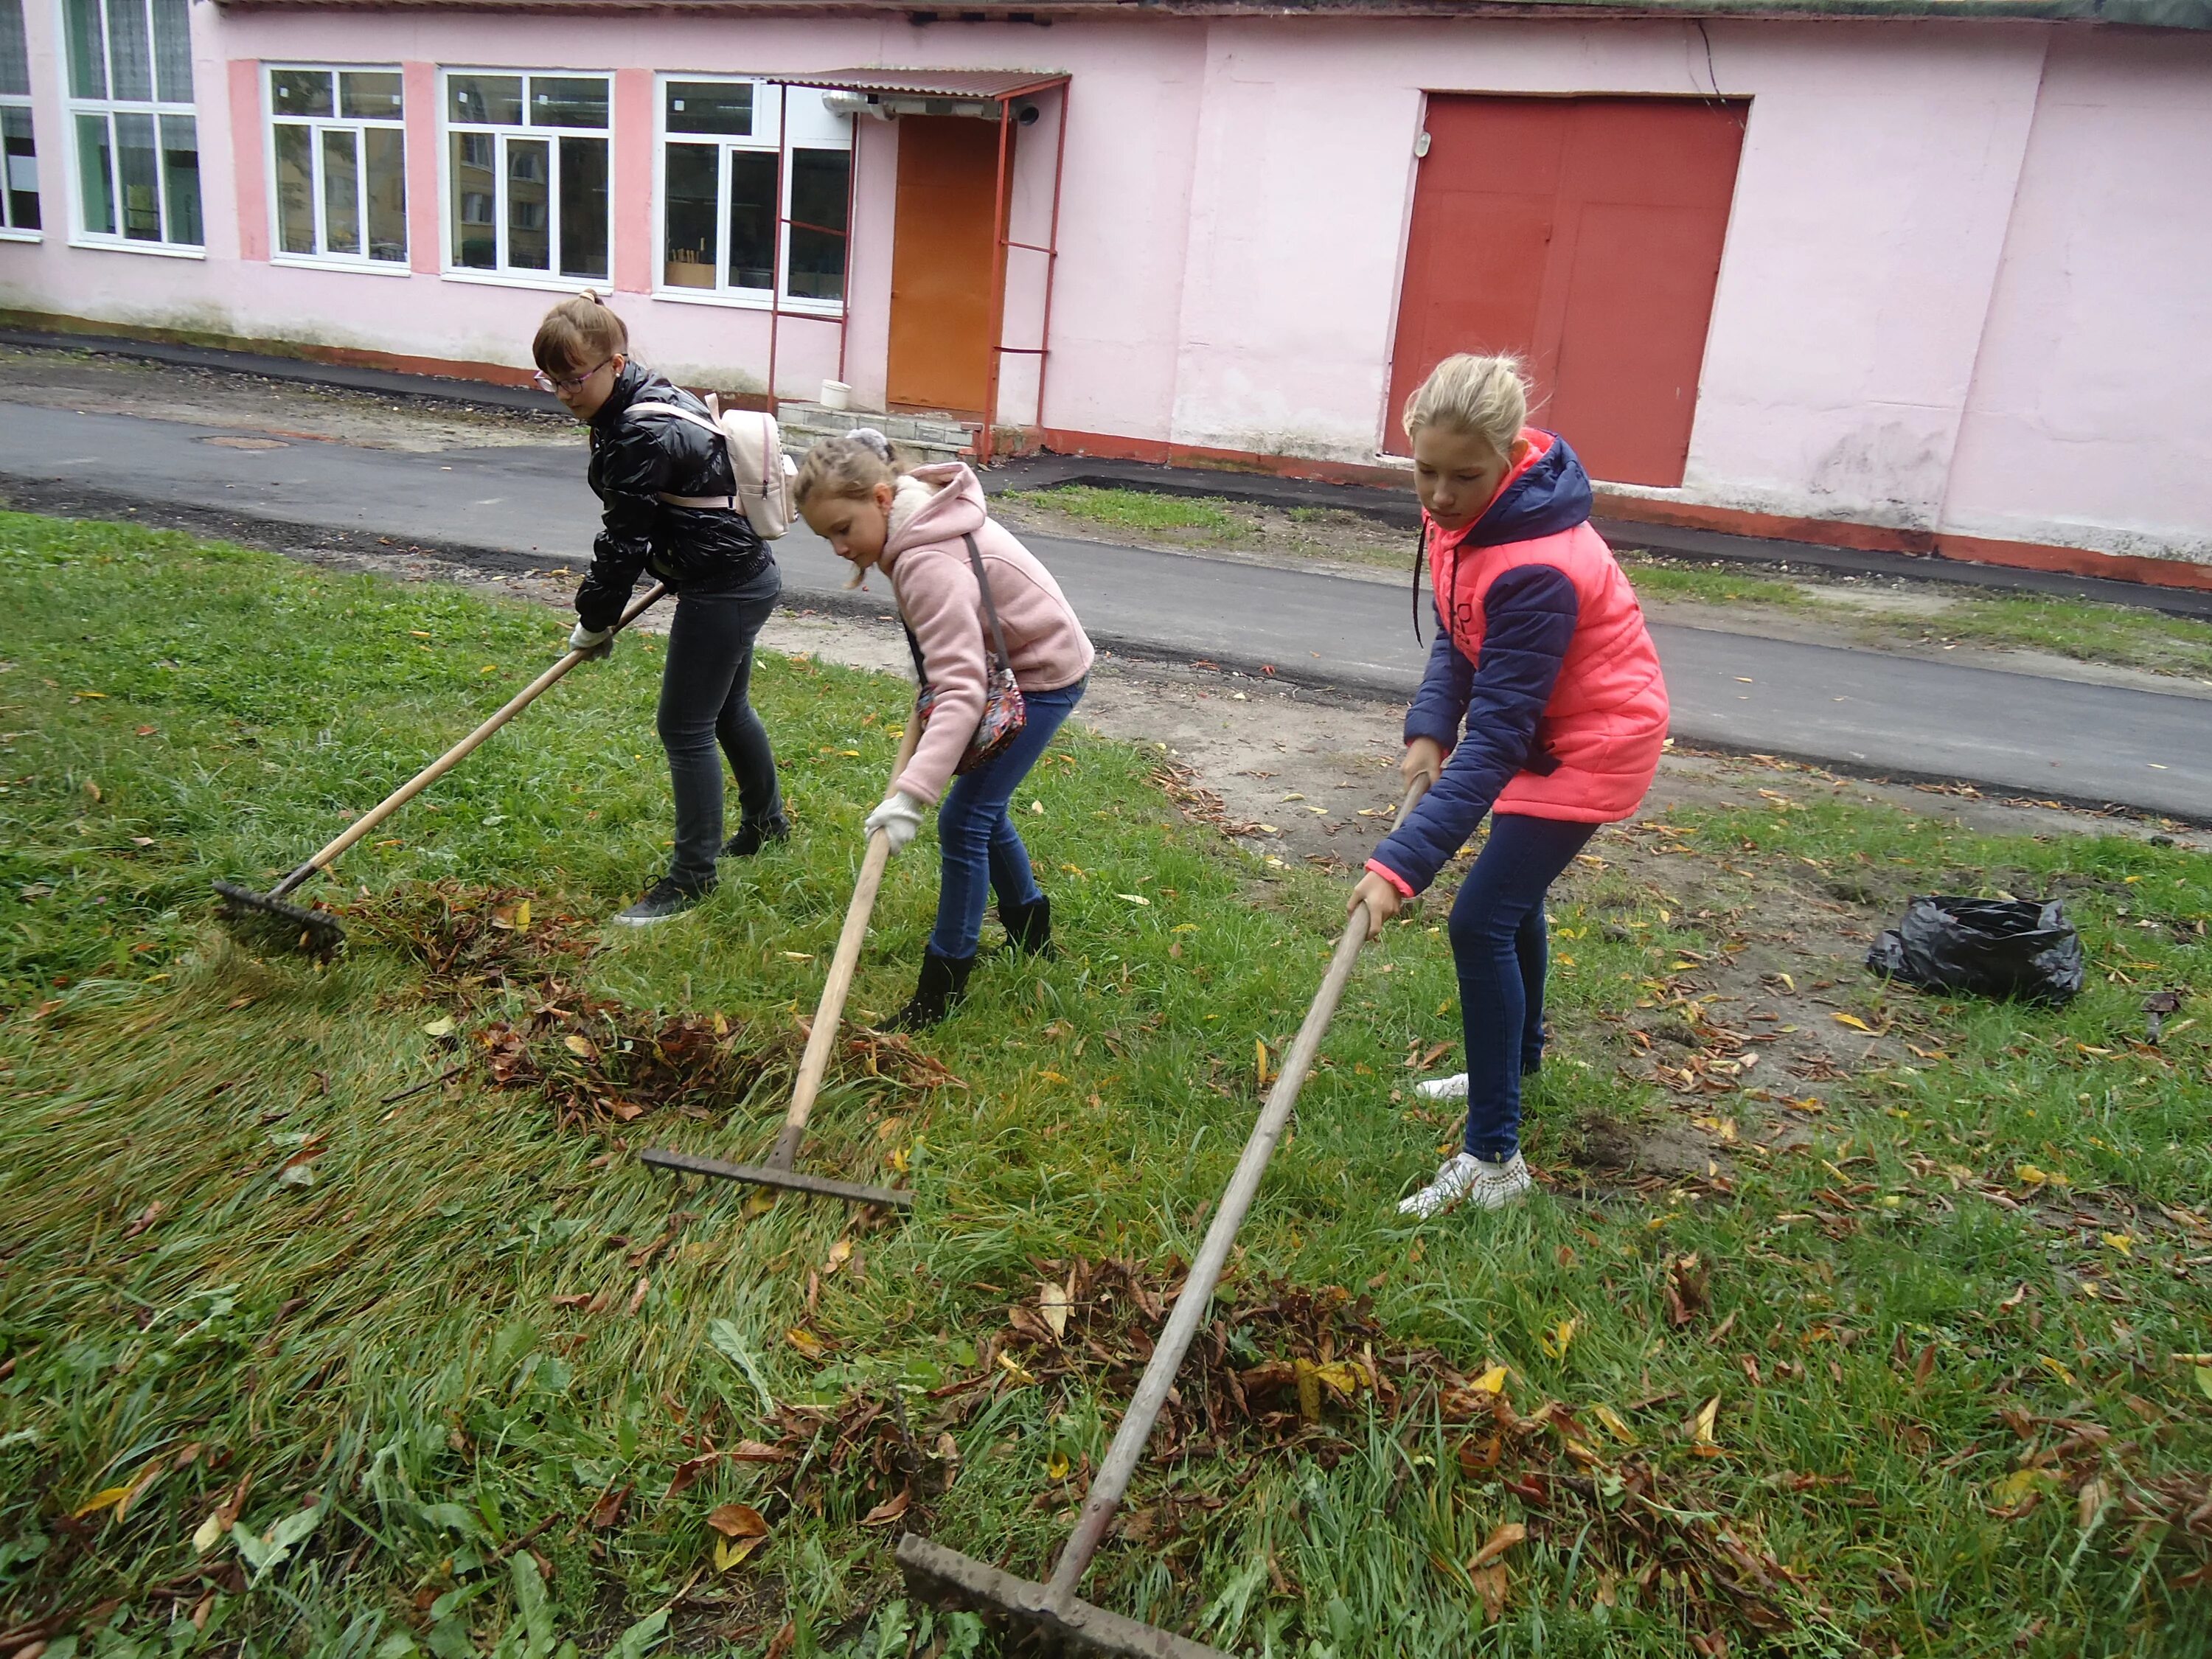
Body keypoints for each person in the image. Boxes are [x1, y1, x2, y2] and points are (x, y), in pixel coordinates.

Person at [1352, 354, 1669, 1218]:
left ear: (1510, 455)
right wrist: (1428, 729)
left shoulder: (1537, 560)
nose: (1440, 496)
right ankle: (1516, 1063)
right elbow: (1461, 635)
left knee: (1478, 917)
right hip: (1543, 733)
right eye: (1424, 472)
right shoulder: (1475, 522)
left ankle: (1495, 1159)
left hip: (1589, 743)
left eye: (1464, 476)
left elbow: (1496, 739)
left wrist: (1399, 866)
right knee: (1510, 906)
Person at [793, 434, 1093, 1029]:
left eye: (842, 528)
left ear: (882, 497)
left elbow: (963, 691)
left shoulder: (924, 559)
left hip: (1041, 674)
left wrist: (910, 795)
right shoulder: (914, 519)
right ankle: (1032, 934)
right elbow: (950, 659)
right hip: (1006, 663)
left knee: (964, 819)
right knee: (987, 809)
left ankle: (942, 988)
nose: (837, 546)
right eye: (824, 535)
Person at [532, 293, 787, 926]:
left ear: (616, 364)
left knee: (685, 727)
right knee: (726, 710)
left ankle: (692, 879)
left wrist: (594, 623)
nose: (564, 392)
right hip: (735, 573)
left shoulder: (638, 429)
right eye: (551, 380)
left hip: (723, 586)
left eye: (574, 378)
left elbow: (623, 542)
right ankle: (766, 826)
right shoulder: (652, 395)